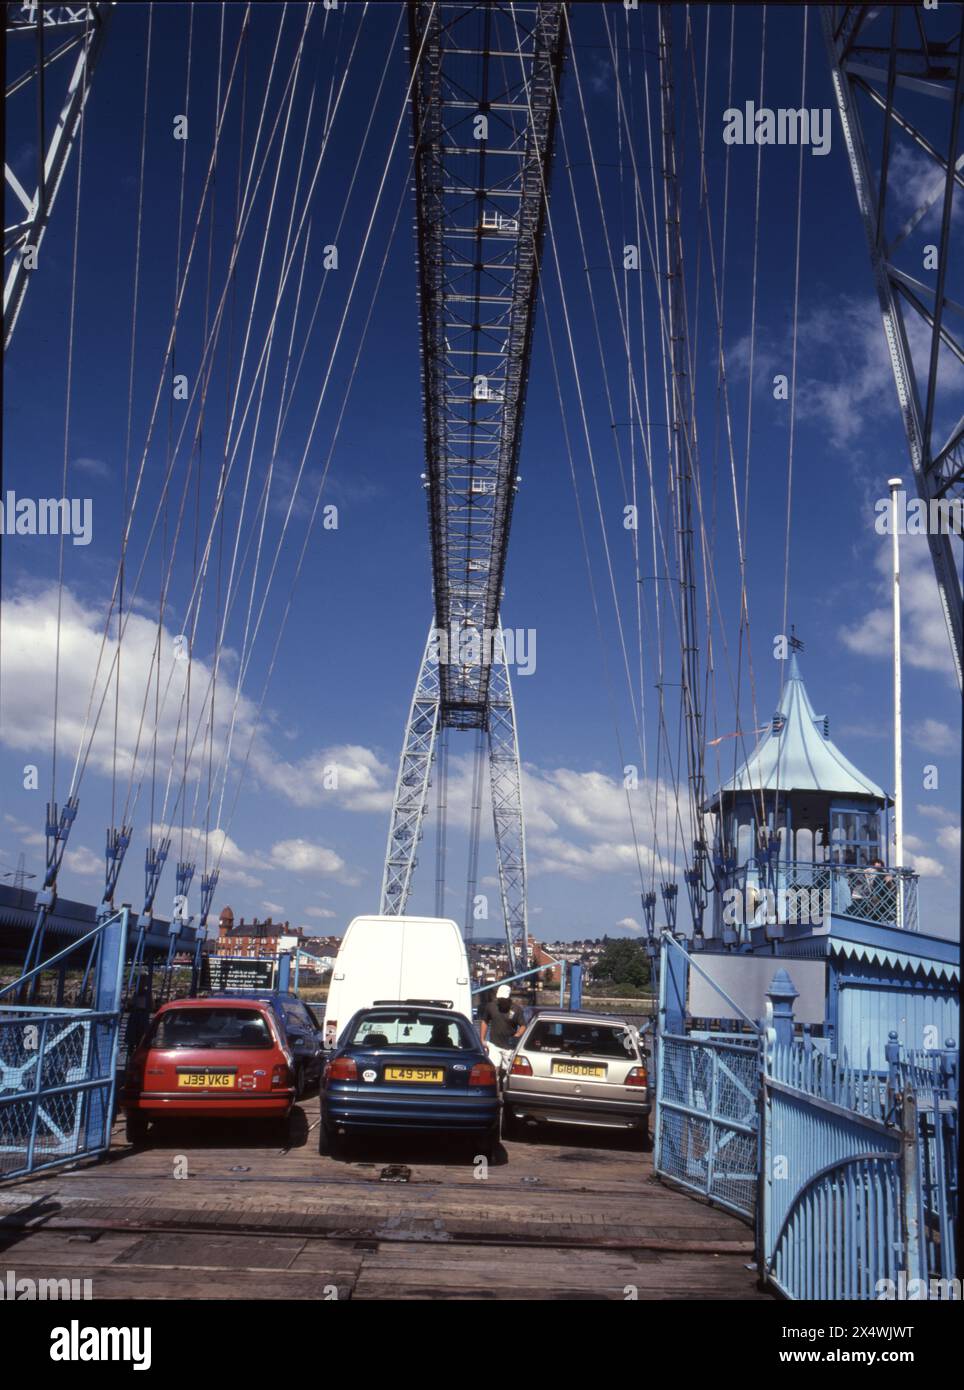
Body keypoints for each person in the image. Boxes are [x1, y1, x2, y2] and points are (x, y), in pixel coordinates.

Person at [479, 984, 525, 1076]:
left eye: (503, 999)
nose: (501, 1001)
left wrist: (518, 1034)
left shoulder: (517, 1009)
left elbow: (523, 1025)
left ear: (508, 998)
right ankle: (495, 1086)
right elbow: (484, 1022)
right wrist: (482, 1039)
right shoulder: (491, 1007)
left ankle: (503, 1085)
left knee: (506, 1071)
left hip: (509, 1047)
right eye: (500, 998)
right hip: (494, 1045)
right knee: (493, 1069)